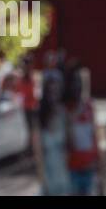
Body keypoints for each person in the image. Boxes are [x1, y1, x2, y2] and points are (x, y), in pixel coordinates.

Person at [35, 64, 71, 195]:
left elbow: (69, 144)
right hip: (48, 177)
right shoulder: (40, 117)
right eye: (50, 91)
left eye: (56, 90)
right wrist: (43, 181)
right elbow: (38, 154)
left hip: (64, 176)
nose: (54, 94)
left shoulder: (63, 113)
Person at [66, 67, 99, 195]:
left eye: (81, 82)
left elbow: (94, 135)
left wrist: (98, 161)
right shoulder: (66, 109)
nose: (78, 86)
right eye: (75, 82)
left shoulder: (90, 106)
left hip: (89, 165)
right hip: (73, 167)